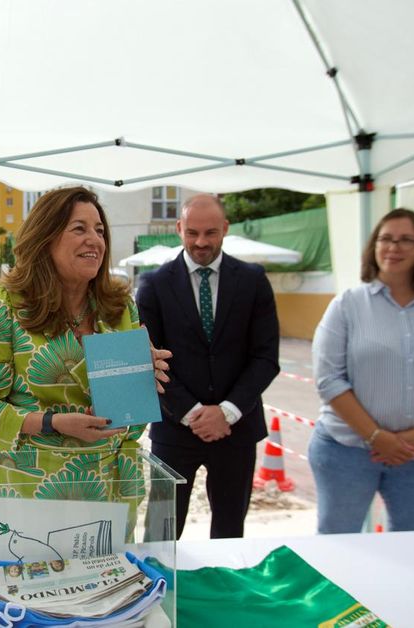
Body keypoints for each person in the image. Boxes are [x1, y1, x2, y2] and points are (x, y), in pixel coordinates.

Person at [0, 186, 171, 532]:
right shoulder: (3, 304)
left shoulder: (120, 307)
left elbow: (132, 421)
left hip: (110, 489)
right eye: (79, 229)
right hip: (31, 494)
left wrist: (143, 380)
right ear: (45, 237)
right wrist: (53, 423)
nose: (95, 240)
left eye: (100, 231)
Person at [310, 208, 414, 533]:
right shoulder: (347, 305)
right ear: (373, 247)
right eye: (385, 239)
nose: (393, 247)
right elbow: (329, 380)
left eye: (405, 240)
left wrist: (413, 440)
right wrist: (377, 437)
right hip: (346, 451)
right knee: (337, 546)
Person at [136, 193, 280, 539]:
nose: (201, 242)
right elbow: (147, 359)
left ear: (225, 228)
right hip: (174, 428)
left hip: (237, 429)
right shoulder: (154, 285)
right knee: (161, 533)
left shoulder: (253, 280)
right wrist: (192, 413)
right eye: (193, 233)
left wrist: (227, 412)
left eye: (210, 233)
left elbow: (265, 357)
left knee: (230, 533)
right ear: (179, 228)